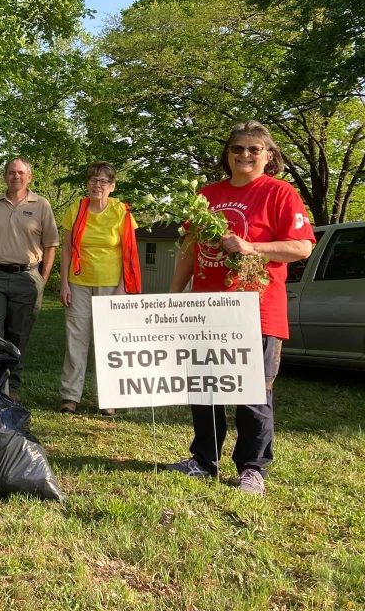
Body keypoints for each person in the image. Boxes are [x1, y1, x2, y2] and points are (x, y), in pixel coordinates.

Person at [165, 121, 314, 495]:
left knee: (252, 393)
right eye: (237, 148)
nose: (244, 155)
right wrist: (172, 295)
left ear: (269, 155)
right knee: (204, 389)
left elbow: (302, 247)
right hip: (206, 309)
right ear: (227, 154)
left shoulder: (280, 193)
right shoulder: (206, 195)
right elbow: (189, 249)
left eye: (254, 149)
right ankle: (204, 460)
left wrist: (252, 248)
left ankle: (252, 468)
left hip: (257, 310)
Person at [58, 162, 141, 416]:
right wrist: (64, 283)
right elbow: (66, 249)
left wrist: (122, 287)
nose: (97, 185)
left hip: (111, 284)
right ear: (87, 183)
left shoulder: (121, 211)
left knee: (107, 341)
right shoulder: (77, 208)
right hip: (78, 283)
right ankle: (70, 396)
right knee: (76, 341)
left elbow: (129, 252)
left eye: (104, 181)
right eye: (93, 180)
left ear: (112, 186)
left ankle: (108, 398)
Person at [0, 158, 59, 392]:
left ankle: (11, 387)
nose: (16, 176)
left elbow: (51, 244)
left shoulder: (41, 205)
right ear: (5, 176)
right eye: (12, 172)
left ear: (29, 177)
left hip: (27, 277)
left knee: (18, 335)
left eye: (21, 172)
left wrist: (42, 278)